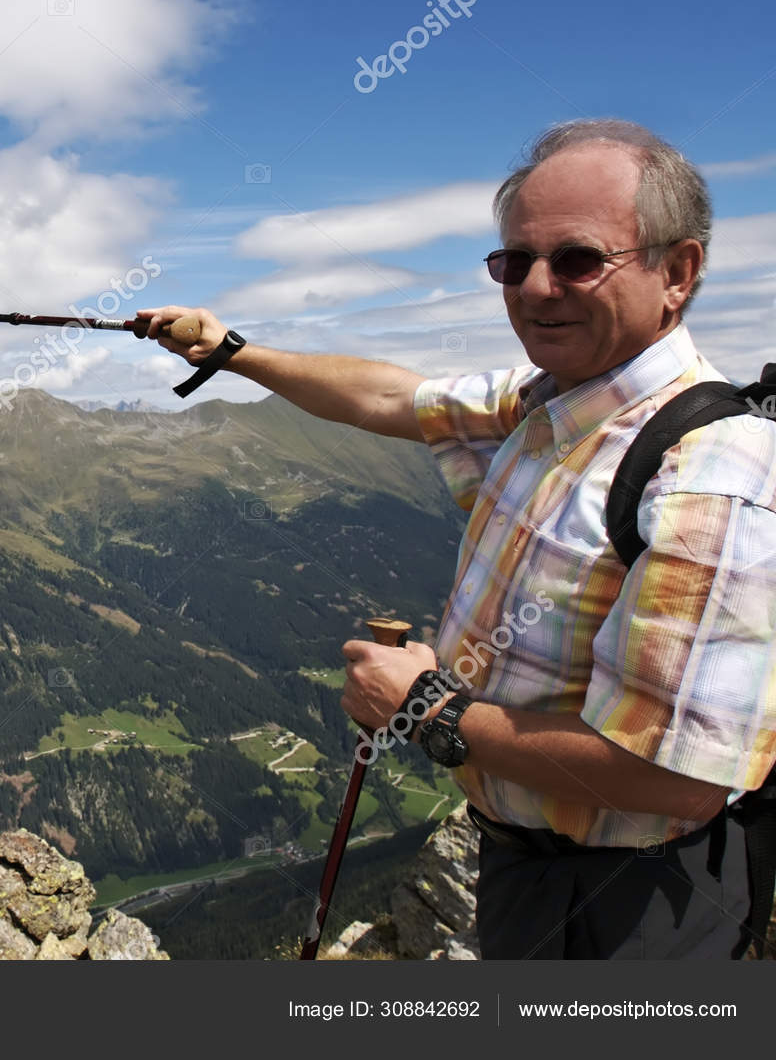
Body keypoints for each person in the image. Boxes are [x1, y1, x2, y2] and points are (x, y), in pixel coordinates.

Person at [139, 118, 776, 959]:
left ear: (678, 272)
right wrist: (233, 351)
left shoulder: (710, 472)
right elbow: (388, 397)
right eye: (514, 261)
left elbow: (678, 777)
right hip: (530, 869)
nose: (537, 287)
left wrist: (428, 705)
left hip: (636, 905)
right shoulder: (547, 399)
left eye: (579, 259)